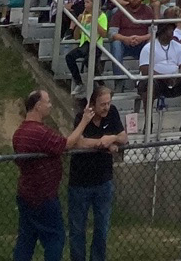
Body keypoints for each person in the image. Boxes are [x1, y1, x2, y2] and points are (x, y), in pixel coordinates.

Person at [65, 84, 126, 261]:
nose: (106, 107)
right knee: (77, 229)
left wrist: (112, 138)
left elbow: (123, 137)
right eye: (102, 104)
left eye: (108, 103)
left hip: (103, 181)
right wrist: (102, 143)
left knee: (102, 228)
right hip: (80, 182)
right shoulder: (81, 117)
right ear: (93, 104)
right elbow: (79, 142)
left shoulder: (112, 113)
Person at [12, 89, 67, 261]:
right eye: (48, 102)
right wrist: (84, 123)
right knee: (55, 238)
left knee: (26, 239)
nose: (50, 105)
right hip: (44, 196)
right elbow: (65, 144)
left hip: (26, 194)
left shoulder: (19, 132)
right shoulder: (39, 133)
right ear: (38, 106)